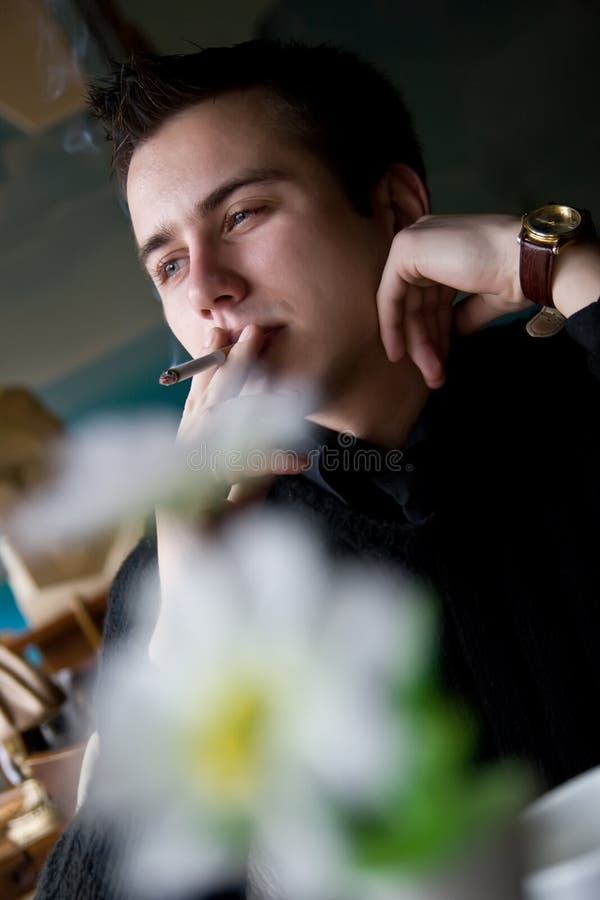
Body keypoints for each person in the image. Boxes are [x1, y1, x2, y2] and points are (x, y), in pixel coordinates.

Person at [37, 39, 600, 898]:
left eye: (242, 216)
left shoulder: (576, 385)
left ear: (397, 204)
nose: (207, 291)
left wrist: (562, 264)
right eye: (170, 263)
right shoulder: (182, 567)